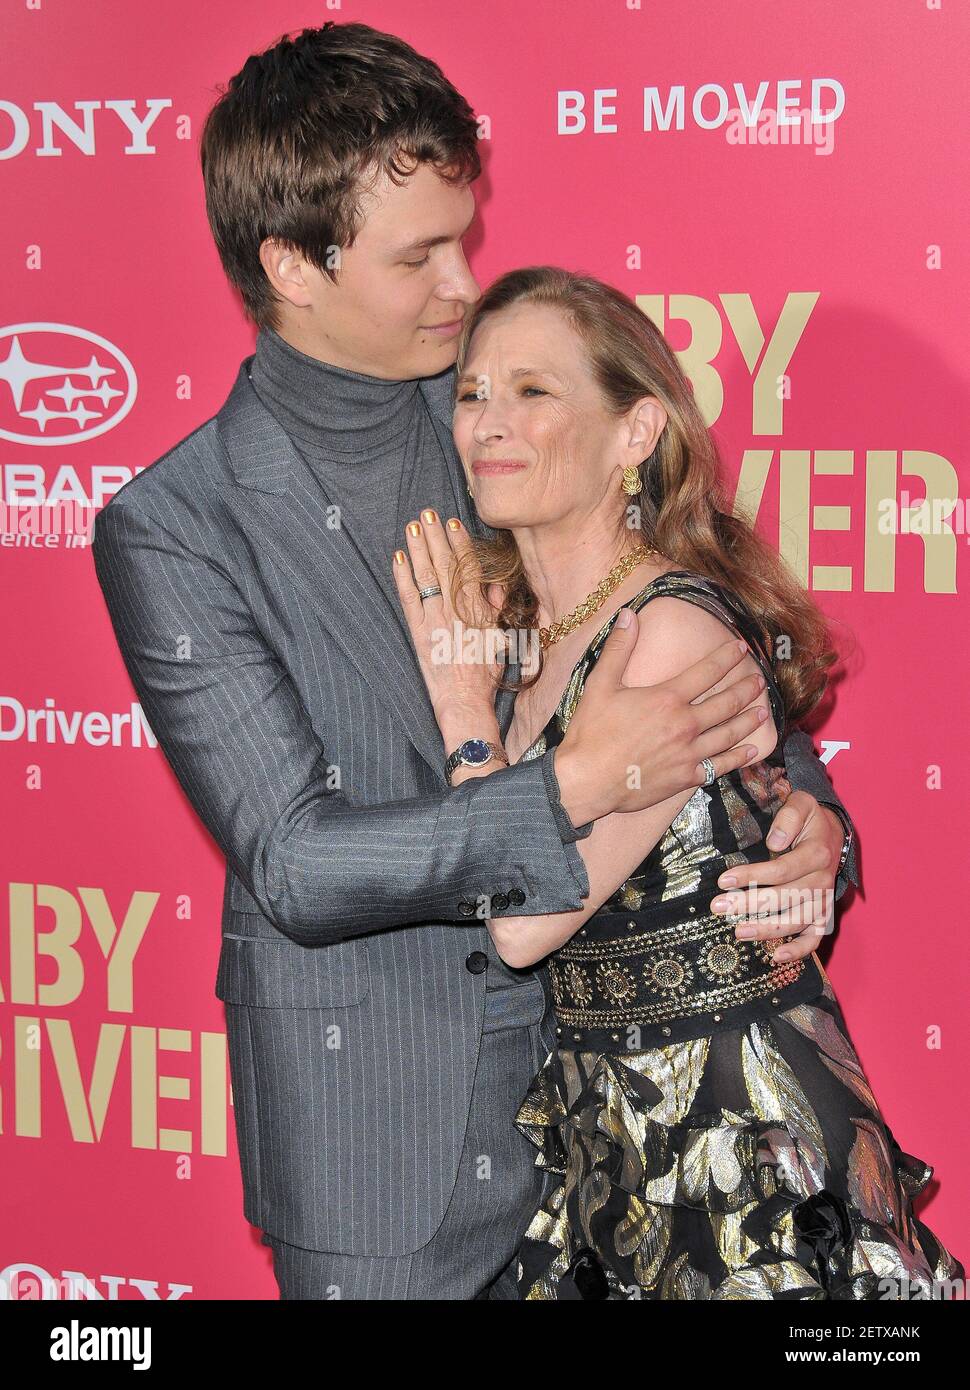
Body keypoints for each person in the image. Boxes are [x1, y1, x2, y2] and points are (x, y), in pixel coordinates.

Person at [90, 22, 858, 1300]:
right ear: (291, 264)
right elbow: (293, 856)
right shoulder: (178, 522)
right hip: (376, 1140)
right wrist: (573, 782)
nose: (463, 283)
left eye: (464, 234)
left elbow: (701, 643)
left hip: (618, 1122)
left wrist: (813, 820)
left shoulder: (498, 412)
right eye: (418, 255)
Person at [393, 263, 963, 1300]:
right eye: (473, 392)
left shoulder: (669, 632)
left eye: (534, 391)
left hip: (737, 1142)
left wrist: (464, 715)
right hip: (607, 1134)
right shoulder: (524, 629)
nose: (487, 421)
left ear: (635, 432)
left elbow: (523, 924)